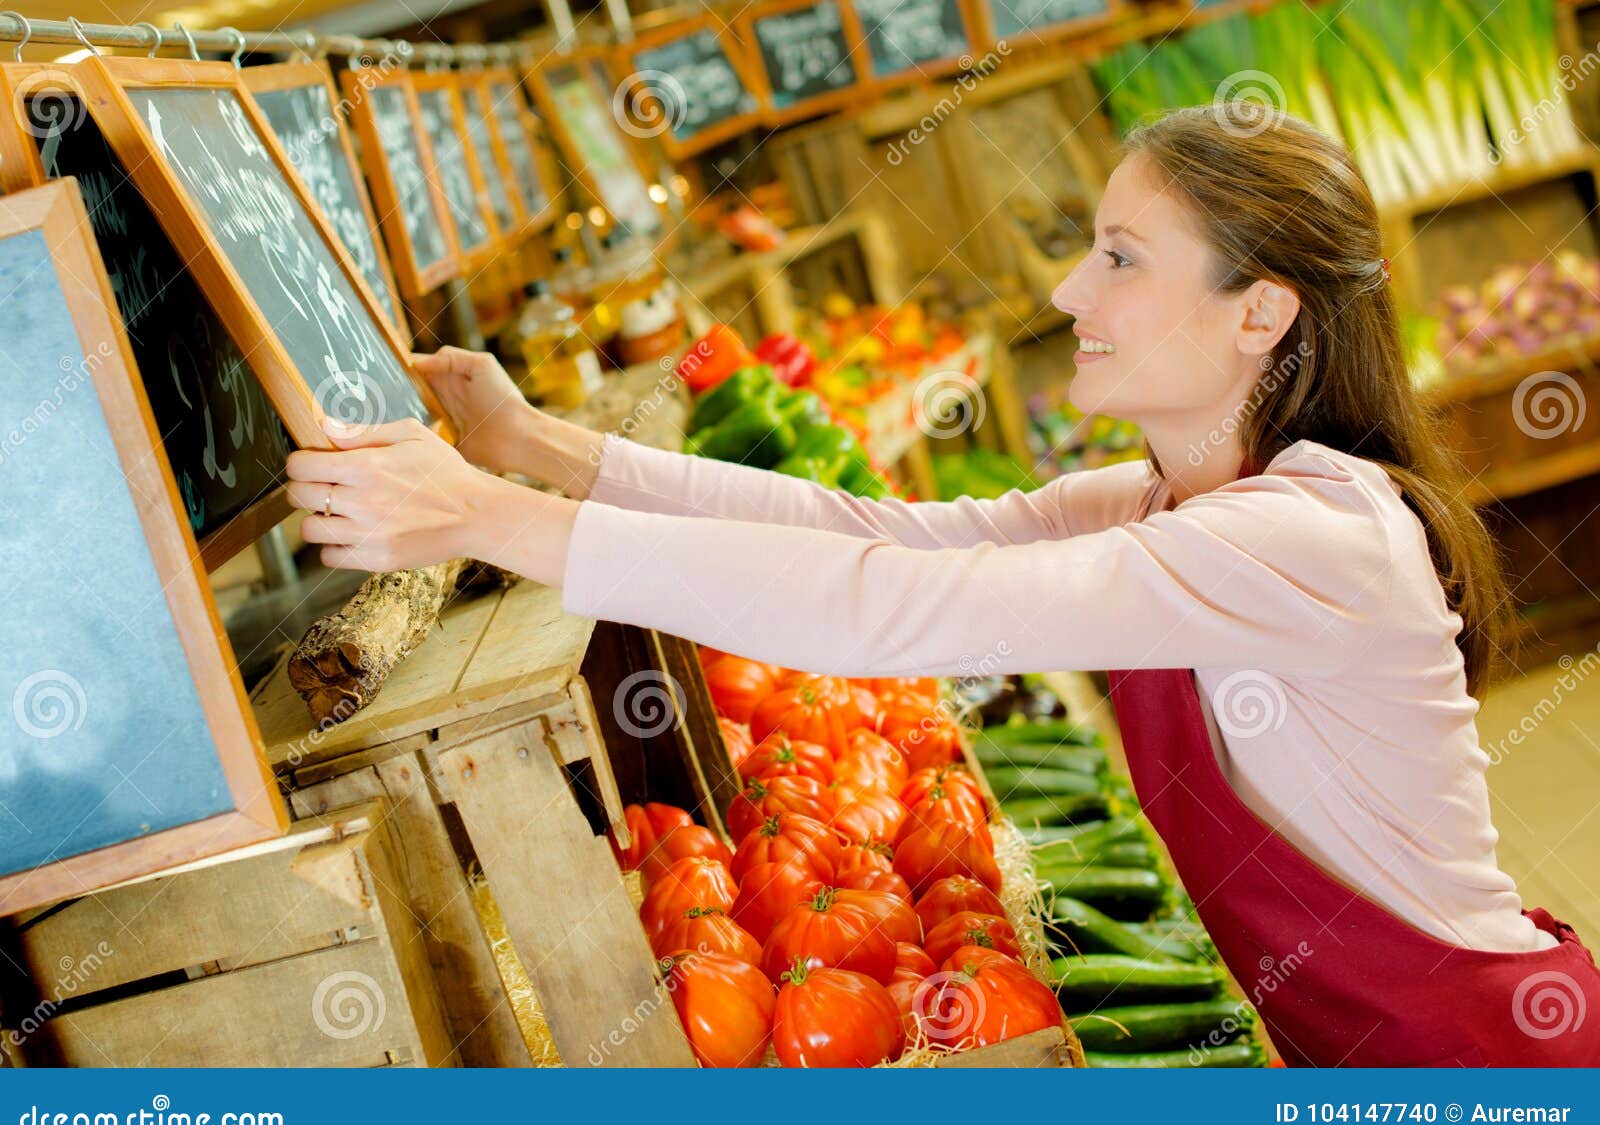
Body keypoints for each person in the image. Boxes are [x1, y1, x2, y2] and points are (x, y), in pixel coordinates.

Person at [285, 105, 1600, 1066]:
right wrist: (540, 450)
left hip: (1480, 1061)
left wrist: (486, 517)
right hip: (1364, 1053)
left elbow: (891, 608)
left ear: (1260, 312)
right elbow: (885, 536)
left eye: (1122, 258)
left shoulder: (1314, 536)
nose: (1070, 288)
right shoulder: (1166, 501)